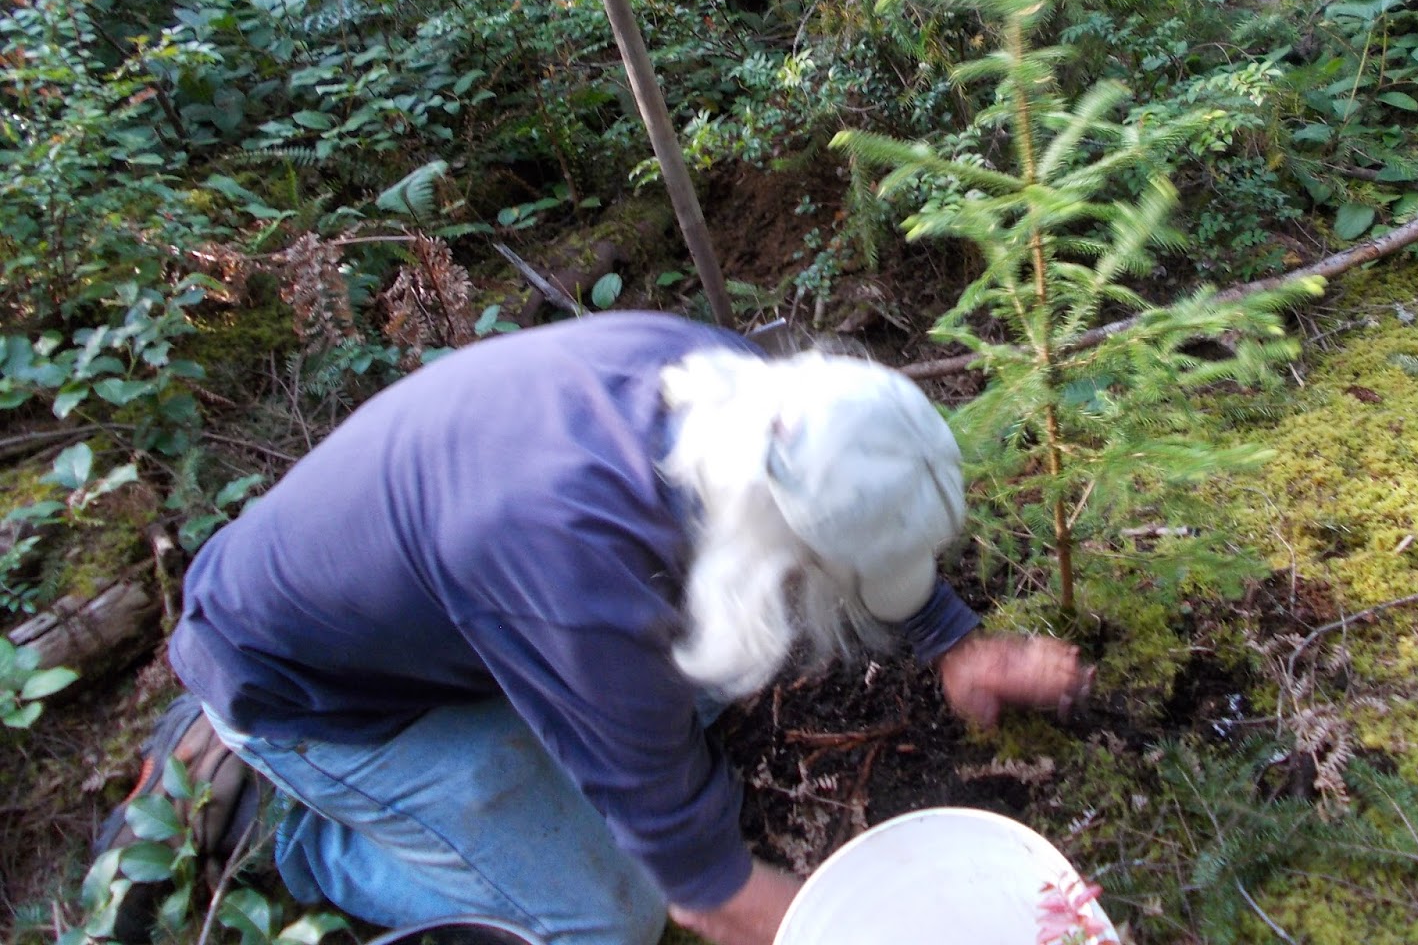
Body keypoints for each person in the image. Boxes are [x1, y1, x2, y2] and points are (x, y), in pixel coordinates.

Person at [100, 312, 1092, 945]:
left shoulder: (748, 398)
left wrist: (956, 640)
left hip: (465, 618)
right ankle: (310, 839)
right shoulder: (581, 579)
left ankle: (523, 762)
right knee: (605, 917)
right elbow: (707, 900)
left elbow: (845, 501)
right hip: (308, 692)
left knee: (701, 698)